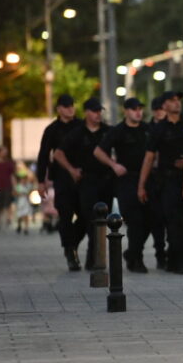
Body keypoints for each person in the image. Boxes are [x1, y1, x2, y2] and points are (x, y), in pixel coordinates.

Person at [138, 91, 183, 274]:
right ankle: (180, 261)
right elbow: (149, 158)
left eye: (178, 100)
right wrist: (142, 185)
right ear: (164, 106)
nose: (177, 103)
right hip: (168, 180)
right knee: (173, 221)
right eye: (172, 100)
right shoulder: (158, 129)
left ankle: (177, 258)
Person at [54, 98, 113, 271]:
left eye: (100, 111)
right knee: (91, 218)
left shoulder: (108, 131)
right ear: (87, 112)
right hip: (87, 181)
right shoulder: (78, 132)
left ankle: (79, 249)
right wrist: (72, 170)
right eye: (94, 111)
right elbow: (58, 154)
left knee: (101, 220)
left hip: (106, 181)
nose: (98, 115)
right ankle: (89, 257)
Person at [95, 97, 150, 273]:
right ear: (126, 111)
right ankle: (137, 258)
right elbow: (98, 152)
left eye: (140, 108)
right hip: (126, 180)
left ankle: (132, 253)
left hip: (147, 179)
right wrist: (114, 165)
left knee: (148, 221)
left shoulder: (147, 130)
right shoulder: (118, 131)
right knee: (134, 221)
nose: (138, 112)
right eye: (134, 109)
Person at [35, 94, 83, 270]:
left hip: (82, 178)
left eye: (72, 105)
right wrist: (41, 181)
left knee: (86, 214)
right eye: (66, 106)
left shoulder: (81, 126)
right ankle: (69, 251)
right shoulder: (52, 130)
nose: (70, 109)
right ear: (59, 109)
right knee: (65, 215)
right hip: (62, 179)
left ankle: (72, 243)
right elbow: (43, 156)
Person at [145, 96, 168, 270]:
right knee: (156, 219)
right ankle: (160, 252)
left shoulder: (170, 127)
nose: (161, 112)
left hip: (167, 177)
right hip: (152, 179)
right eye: (159, 109)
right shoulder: (147, 130)